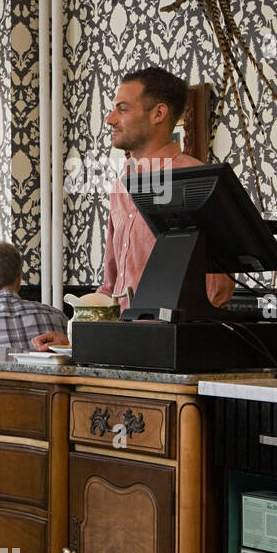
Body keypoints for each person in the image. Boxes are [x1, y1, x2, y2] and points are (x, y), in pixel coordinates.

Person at [33, 66, 234, 350]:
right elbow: (111, 289)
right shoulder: (122, 185)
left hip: (177, 349)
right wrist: (75, 340)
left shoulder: (197, 181)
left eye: (122, 109)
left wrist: (160, 337)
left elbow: (215, 292)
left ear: (158, 114)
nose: (110, 119)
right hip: (125, 347)